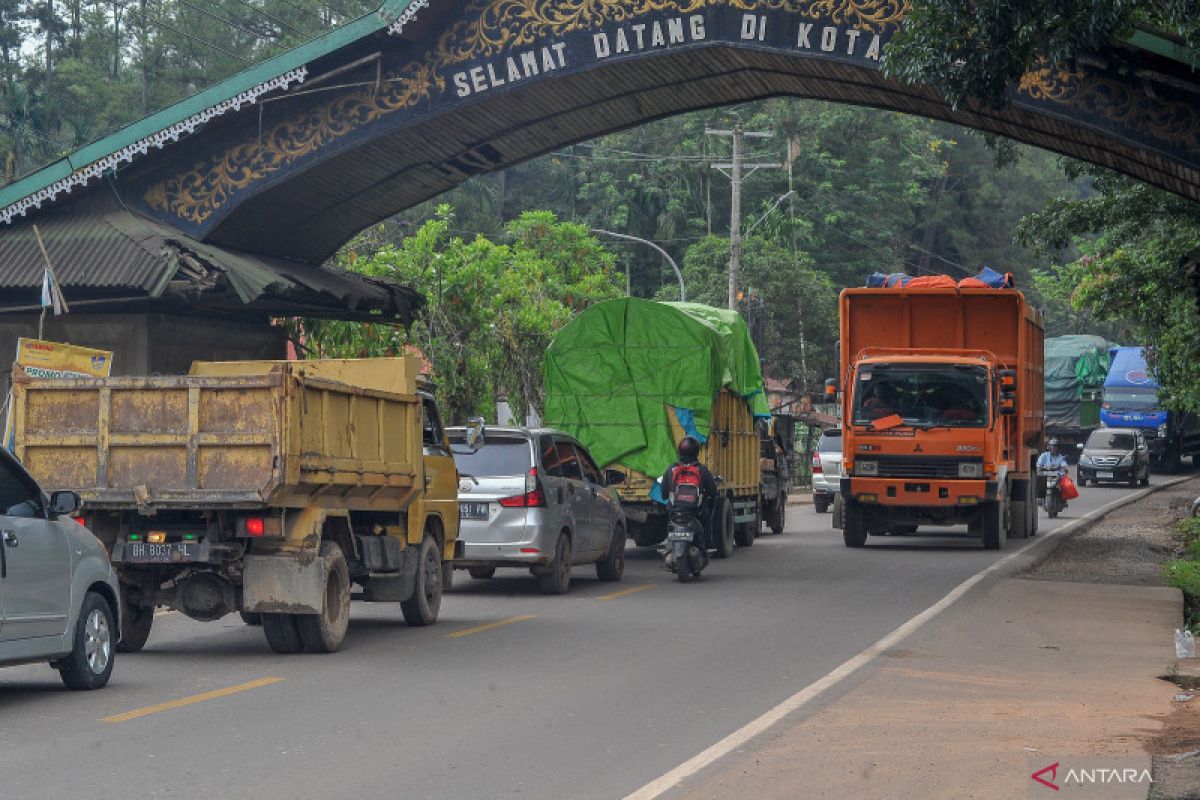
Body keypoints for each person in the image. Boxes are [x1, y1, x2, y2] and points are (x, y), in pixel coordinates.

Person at [659, 436, 719, 540]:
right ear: (696, 452)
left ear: (679, 451)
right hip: (695, 512)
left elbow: (664, 493)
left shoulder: (671, 469)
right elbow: (712, 491)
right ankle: (706, 544)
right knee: (707, 520)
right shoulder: (702, 470)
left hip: (674, 512)